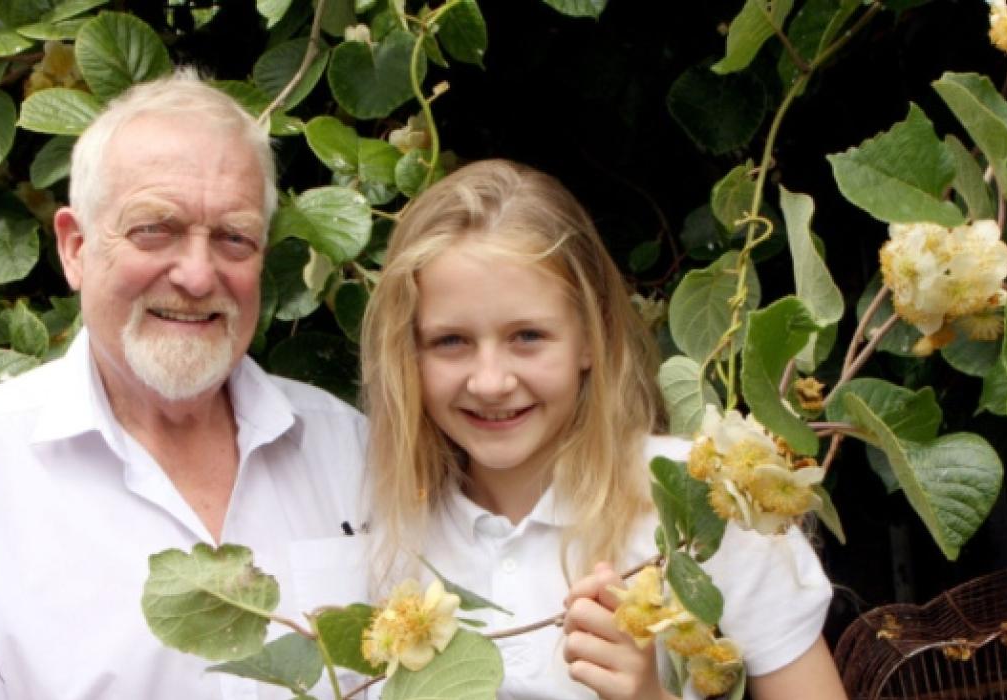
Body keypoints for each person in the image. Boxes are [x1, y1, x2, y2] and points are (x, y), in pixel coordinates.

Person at [0, 69, 369, 699]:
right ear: (76, 248)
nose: (198, 276)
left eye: (234, 237)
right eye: (154, 229)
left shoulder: (349, 451)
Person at [359, 159, 847, 699]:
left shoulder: (706, 503)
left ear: (590, 337)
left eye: (528, 336)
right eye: (450, 341)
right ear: (407, 354)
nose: (491, 382)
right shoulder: (386, 527)